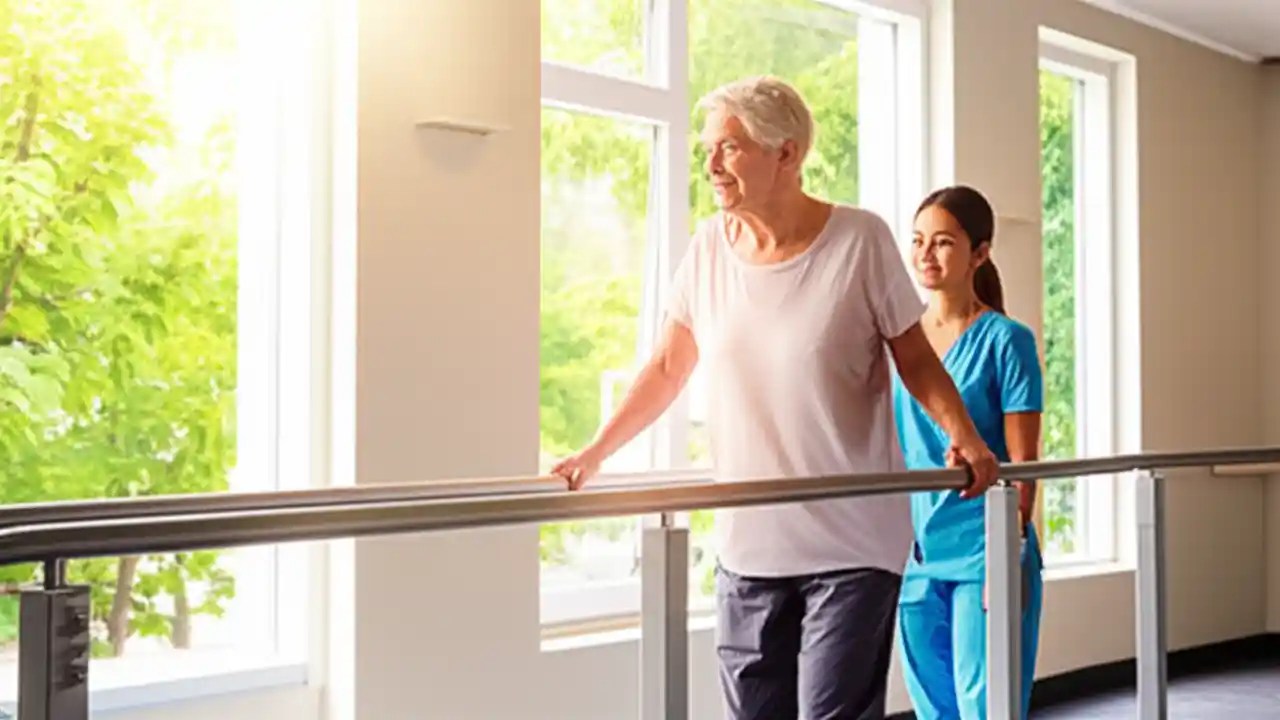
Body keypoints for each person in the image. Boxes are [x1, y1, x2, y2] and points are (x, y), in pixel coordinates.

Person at [551, 76, 998, 720]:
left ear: (785, 153)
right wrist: (594, 454)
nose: (711, 164)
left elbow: (917, 359)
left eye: (729, 148)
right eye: (709, 148)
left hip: (852, 546)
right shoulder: (708, 249)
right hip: (749, 546)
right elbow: (667, 367)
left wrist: (965, 433)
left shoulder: (860, 241)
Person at [892, 185, 1045, 720]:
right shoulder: (901, 344)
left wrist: (1009, 557)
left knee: (986, 707)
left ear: (980, 253)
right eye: (917, 242)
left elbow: (1026, 464)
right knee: (934, 708)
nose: (925, 255)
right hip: (917, 553)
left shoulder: (1008, 340)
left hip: (987, 548)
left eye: (943, 243)